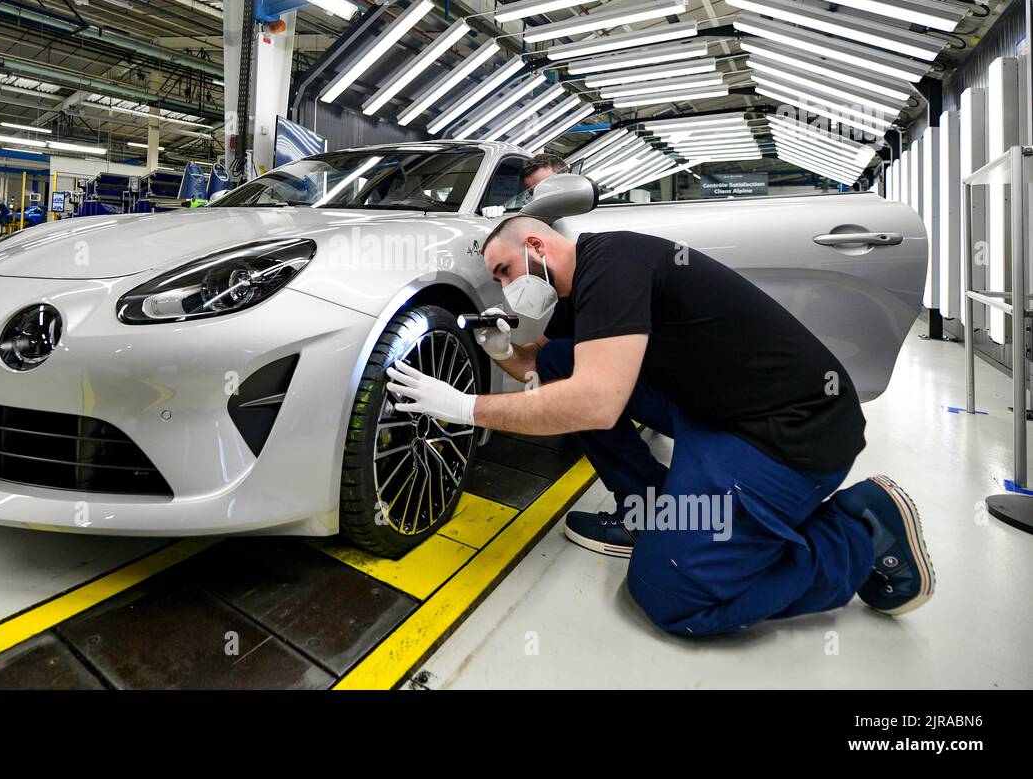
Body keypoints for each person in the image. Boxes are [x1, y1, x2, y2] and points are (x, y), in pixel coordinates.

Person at [385, 216, 934, 636]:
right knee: (560, 364)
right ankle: (649, 510)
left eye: (504, 272)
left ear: (536, 247)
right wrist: (502, 348)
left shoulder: (615, 262)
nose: (505, 289)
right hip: (721, 411)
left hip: (789, 436)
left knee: (668, 596)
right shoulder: (582, 287)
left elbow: (597, 404)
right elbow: (541, 367)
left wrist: (466, 407)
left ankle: (859, 535)